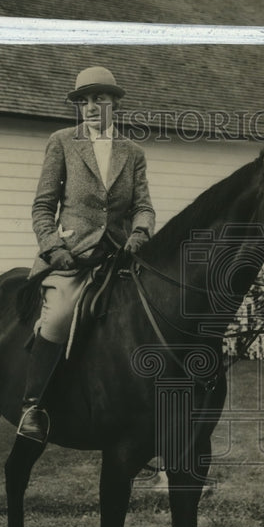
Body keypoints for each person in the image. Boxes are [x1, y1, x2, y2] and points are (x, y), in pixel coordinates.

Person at [17, 66, 156, 443]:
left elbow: (143, 206)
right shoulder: (62, 141)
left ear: (115, 103)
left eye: (100, 98)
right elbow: (42, 206)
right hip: (73, 257)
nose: (92, 107)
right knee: (60, 315)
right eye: (84, 101)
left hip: (120, 256)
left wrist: (140, 232)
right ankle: (33, 406)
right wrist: (53, 247)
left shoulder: (133, 152)